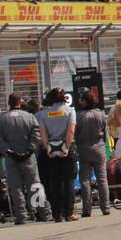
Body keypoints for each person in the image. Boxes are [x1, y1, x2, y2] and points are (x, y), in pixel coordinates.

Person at [0, 93, 48, 225]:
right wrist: (29, 150)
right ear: (20, 103)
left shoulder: (1, 119)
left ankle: (21, 216)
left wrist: (10, 152)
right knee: (35, 185)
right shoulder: (29, 117)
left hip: (11, 158)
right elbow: (36, 135)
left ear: (9, 103)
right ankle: (43, 213)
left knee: (15, 187)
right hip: (28, 156)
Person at [37, 87, 76, 222]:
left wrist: (48, 148)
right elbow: (70, 132)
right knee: (69, 180)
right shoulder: (70, 111)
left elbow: (42, 134)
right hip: (66, 148)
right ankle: (69, 213)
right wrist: (66, 147)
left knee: (54, 182)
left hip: (51, 149)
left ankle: (56, 213)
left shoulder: (43, 114)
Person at [76, 91, 111, 217]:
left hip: (84, 148)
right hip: (99, 147)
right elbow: (105, 131)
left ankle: (87, 209)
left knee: (85, 180)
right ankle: (106, 207)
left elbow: (76, 133)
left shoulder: (78, 116)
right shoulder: (101, 114)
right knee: (102, 179)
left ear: (85, 101)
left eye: (82, 99)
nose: (80, 102)